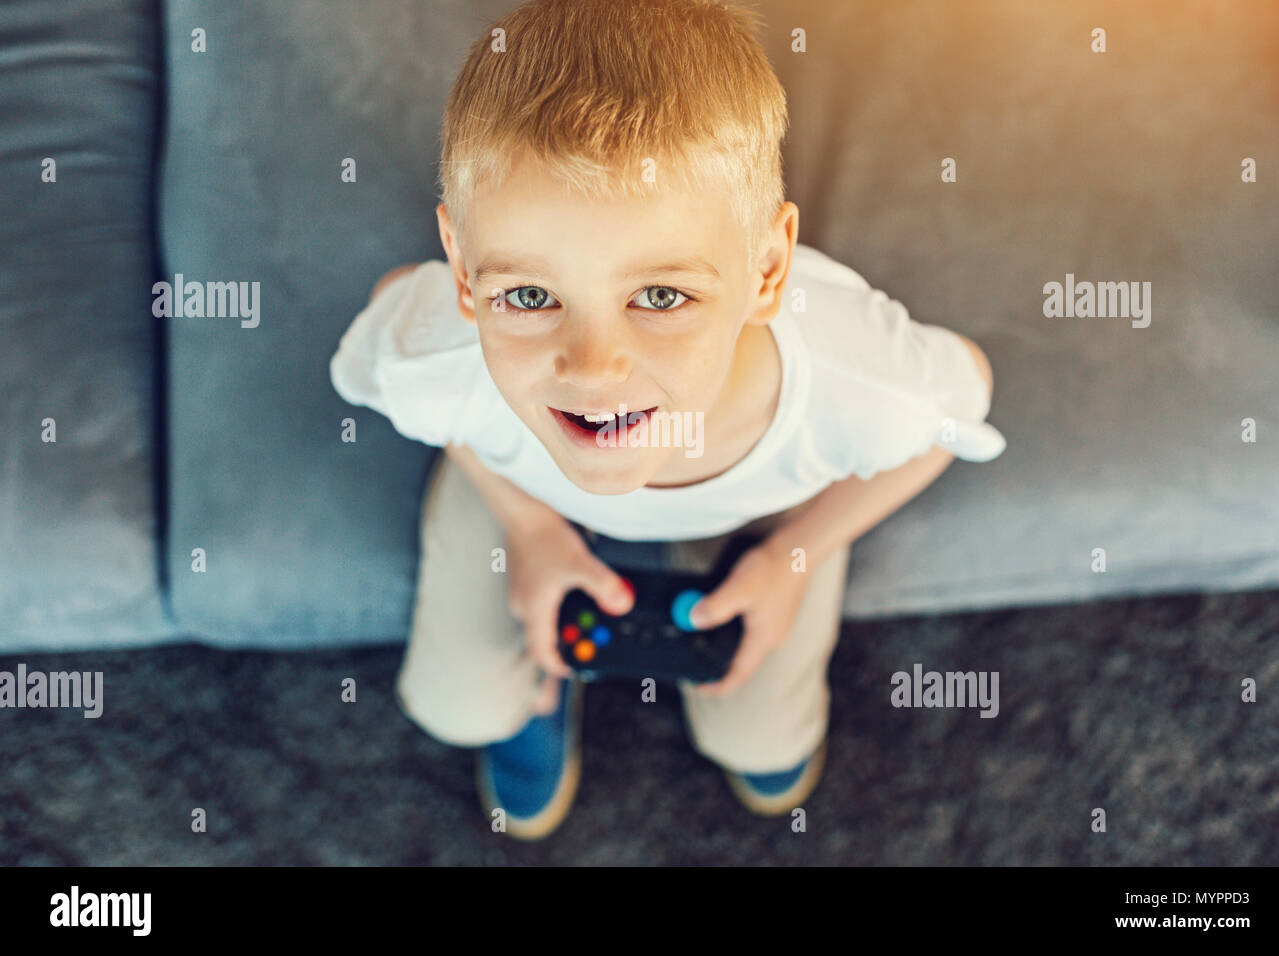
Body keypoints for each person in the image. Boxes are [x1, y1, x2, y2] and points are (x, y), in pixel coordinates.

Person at [330, 0, 1006, 840]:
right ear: (465, 276)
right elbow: (393, 314)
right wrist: (528, 526)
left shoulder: (858, 388)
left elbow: (958, 406)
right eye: (531, 295)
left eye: (660, 296)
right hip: (519, 474)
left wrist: (793, 556)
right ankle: (536, 694)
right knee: (456, 706)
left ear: (766, 268)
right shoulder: (438, 361)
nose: (593, 369)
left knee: (757, 731)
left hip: (760, 511)